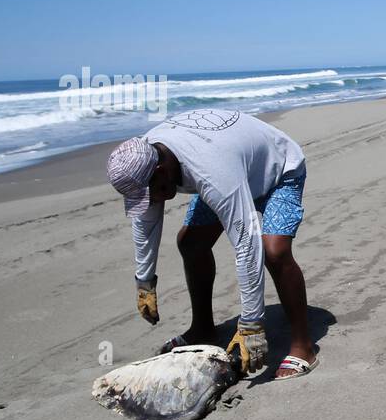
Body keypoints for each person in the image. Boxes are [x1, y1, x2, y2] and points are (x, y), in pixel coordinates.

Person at [106, 108, 318, 380]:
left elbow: (245, 242)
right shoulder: (142, 159)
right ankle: (203, 328)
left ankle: (303, 346)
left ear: (161, 170)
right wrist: (144, 282)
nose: (153, 201)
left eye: (153, 192)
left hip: (278, 171)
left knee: (273, 252)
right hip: (234, 169)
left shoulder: (211, 171)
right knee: (191, 243)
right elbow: (145, 221)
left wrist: (251, 325)